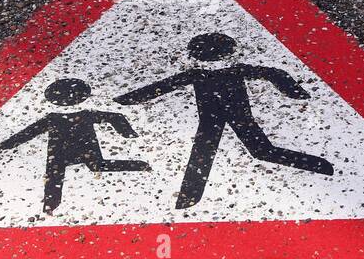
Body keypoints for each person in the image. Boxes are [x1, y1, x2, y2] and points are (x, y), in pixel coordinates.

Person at [116, 32, 333, 209]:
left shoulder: (202, 74)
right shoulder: (224, 72)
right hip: (219, 119)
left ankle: (319, 165)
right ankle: (188, 196)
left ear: (194, 55)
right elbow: (273, 73)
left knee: (246, 151)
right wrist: (294, 91)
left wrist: (129, 99)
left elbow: (161, 86)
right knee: (221, 152)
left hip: (228, 118)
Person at [0, 78, 150, 214]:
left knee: (56, 176)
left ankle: (50, 206)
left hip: (60, 151)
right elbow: (115, 117)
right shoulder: (82, 115)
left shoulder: (56, 118)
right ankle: (139, 165)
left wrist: (8, 144)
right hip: (76, 148)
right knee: (89, 167)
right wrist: (126, 132)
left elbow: (30, 132)